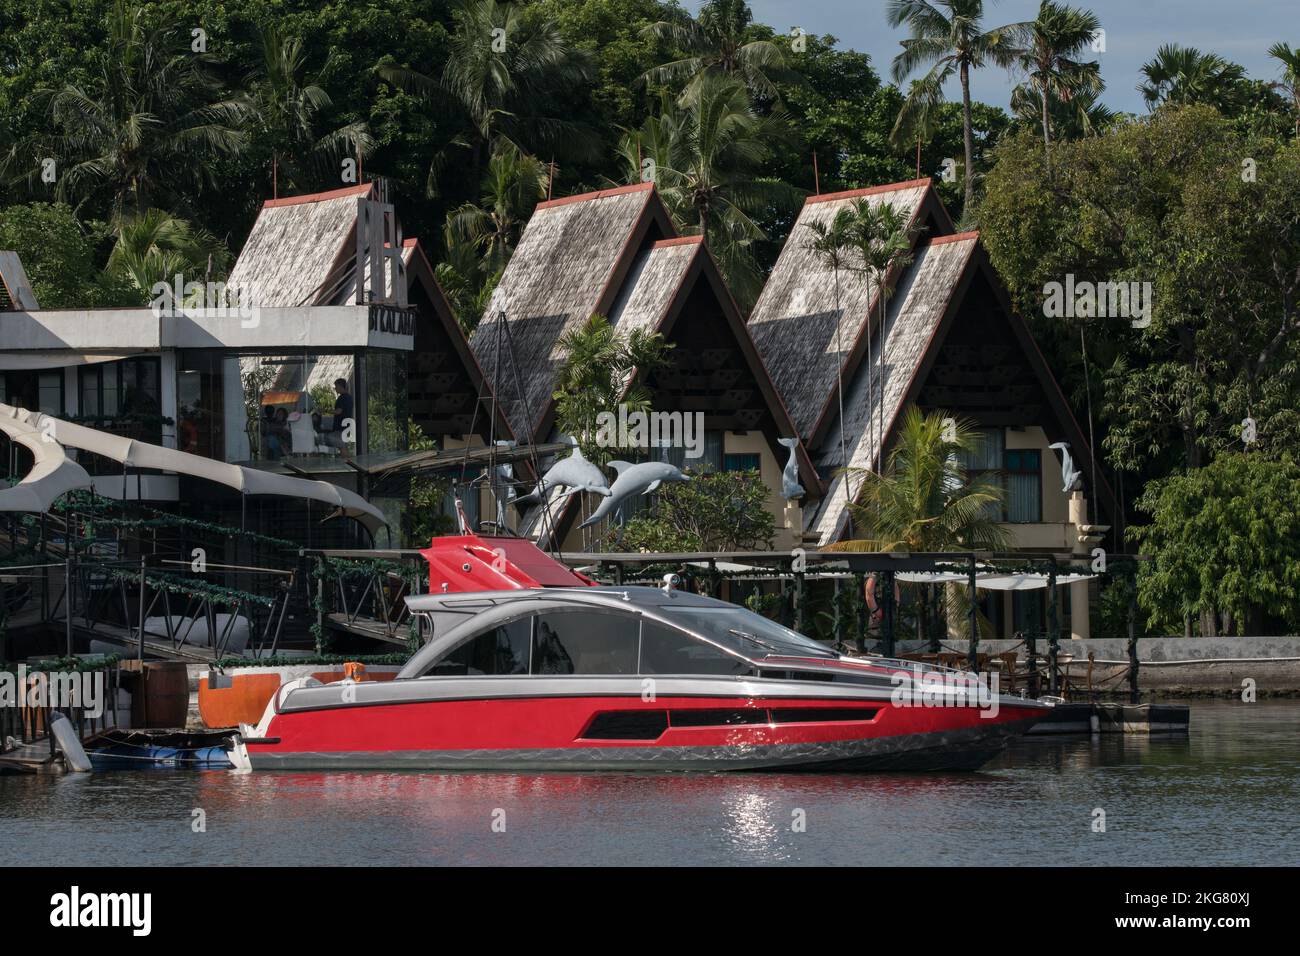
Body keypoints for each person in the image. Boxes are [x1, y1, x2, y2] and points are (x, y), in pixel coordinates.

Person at [325, 377, 353, 454]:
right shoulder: (349, 397)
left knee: (341, 445)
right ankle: (347, 462)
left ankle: (347, 462)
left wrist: (326, 411)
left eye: (336, 387)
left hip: (341, 426)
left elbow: (338, 411)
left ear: (340, 386)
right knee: (343, 445)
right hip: (347, 425)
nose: (335, 389)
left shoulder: (342, 398)